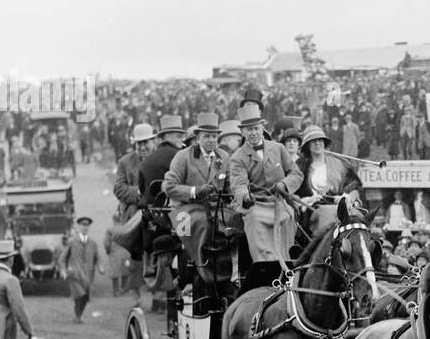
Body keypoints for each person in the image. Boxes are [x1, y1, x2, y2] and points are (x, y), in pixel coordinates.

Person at [228, 105, 304, 284]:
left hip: (279, 202)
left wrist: (284, 184)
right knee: (254, 218)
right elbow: (238, 185)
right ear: (243, 132)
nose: (253, 133)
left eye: (256, 128)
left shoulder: (278, 149)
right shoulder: (238, 157)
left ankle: (287, 263)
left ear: (263, 129)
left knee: (289, 215)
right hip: (256, 204)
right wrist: (246, 196)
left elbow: (296, 173)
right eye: (249, 129)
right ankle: (264, 265)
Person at [162, 112, 225, 274]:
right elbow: (169, 187)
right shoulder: (183, 157)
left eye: (214, 136)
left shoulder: (225, 157)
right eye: (207, 136)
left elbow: (231, 184)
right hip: (186, 207)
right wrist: (195, 191)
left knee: (234, 227)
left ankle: (228, 270)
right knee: (201, 224)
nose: (211, 140)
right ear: (197, 138)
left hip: (215, 208)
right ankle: (194, 268)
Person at [114, 122, 157, 300]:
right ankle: (135, 290)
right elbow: (119, 189)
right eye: (139, 143)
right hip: (135, 211)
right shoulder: (125, 162)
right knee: (136, 253)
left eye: (146, 142)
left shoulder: (160, 159)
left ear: (154, 141)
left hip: (157, 208)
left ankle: (158, 292)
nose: (143, 147)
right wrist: (140, 192)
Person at [58, 216, 105, 324]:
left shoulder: (92, 243)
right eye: (83, 225)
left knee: (85, 297)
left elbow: (98, 257)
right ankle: (77, 315)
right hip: (75, 274)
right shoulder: (72, 241)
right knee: (80, 294)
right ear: (79, 226)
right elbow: (62, 258)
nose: (85, 228)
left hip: (87, 276)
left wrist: (100, 267)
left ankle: (78, 316)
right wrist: (63, 271)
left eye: (87, 225)